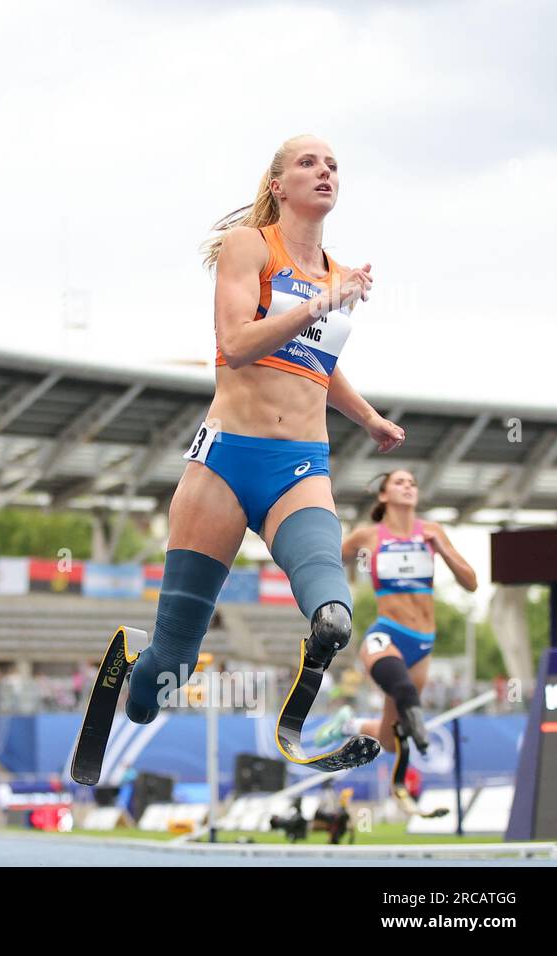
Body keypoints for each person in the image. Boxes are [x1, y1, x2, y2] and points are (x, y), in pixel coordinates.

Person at [117, 135, 404, 767]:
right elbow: (238, 341)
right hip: (224, 462)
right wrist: (323, 303)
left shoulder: (335, 272)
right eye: (308, 163)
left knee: (332, 608)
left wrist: (369, 418)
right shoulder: (251, 247)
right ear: (278, 185)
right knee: (170, 669)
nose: (324, 170)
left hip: (299, 465)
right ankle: (131, 678)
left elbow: (315, 366)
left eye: (333, 164)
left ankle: (308, 687)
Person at [317, 470, 478, 757]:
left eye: (412, 483)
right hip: (387, 634)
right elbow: (323, 561)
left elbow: (471, 583)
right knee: (405, 692)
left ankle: (349, 724)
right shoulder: (367, 536)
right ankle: (421, 735)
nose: (408, 487)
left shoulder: (432, 532)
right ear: (383, 494)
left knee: (390, 742)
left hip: (423, 643)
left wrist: (441, 548)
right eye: (399, 482)